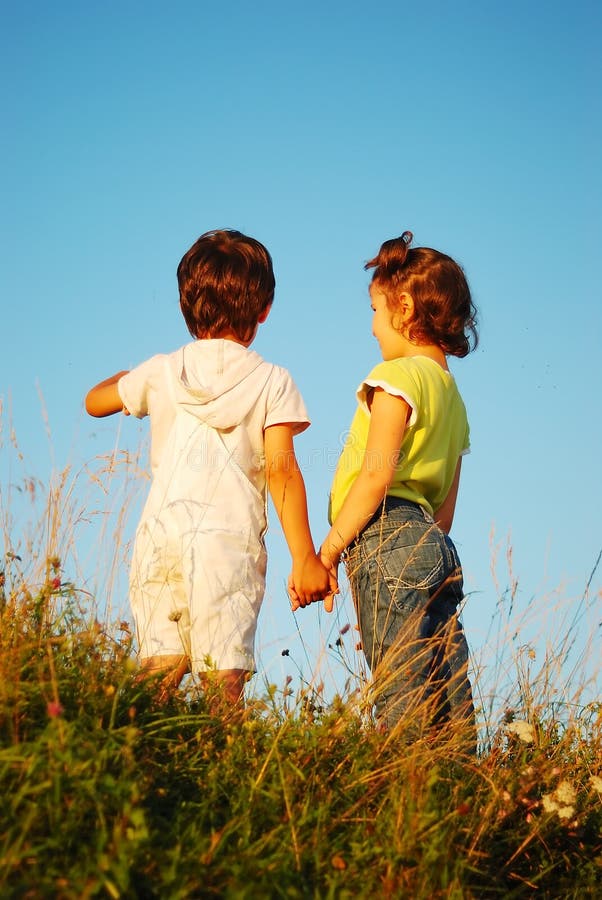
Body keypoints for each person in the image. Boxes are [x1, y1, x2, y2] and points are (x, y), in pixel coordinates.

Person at [86, 229, 336, 708]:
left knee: (157, 671)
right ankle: (223, 773)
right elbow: (282, 471)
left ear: (185, 308)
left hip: (160, 537)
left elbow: (95, 403)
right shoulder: (271, 380)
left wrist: (128, 378)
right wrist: (305, 557)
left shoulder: (162, 370)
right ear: (263, 310)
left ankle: (127, 756)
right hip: (227, 545)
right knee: (222, 683)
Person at [302, 231, 477, 738]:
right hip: (435, 547)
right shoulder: (455, 401)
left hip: (386, 539)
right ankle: (459, 785)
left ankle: (406, 792)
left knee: (401, 692)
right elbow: (444, 512)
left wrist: (330, 550)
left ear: (403, 307)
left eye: (376, 311)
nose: (375, 328)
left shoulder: (396, 375)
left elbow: (377, 472)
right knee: (447, 688)